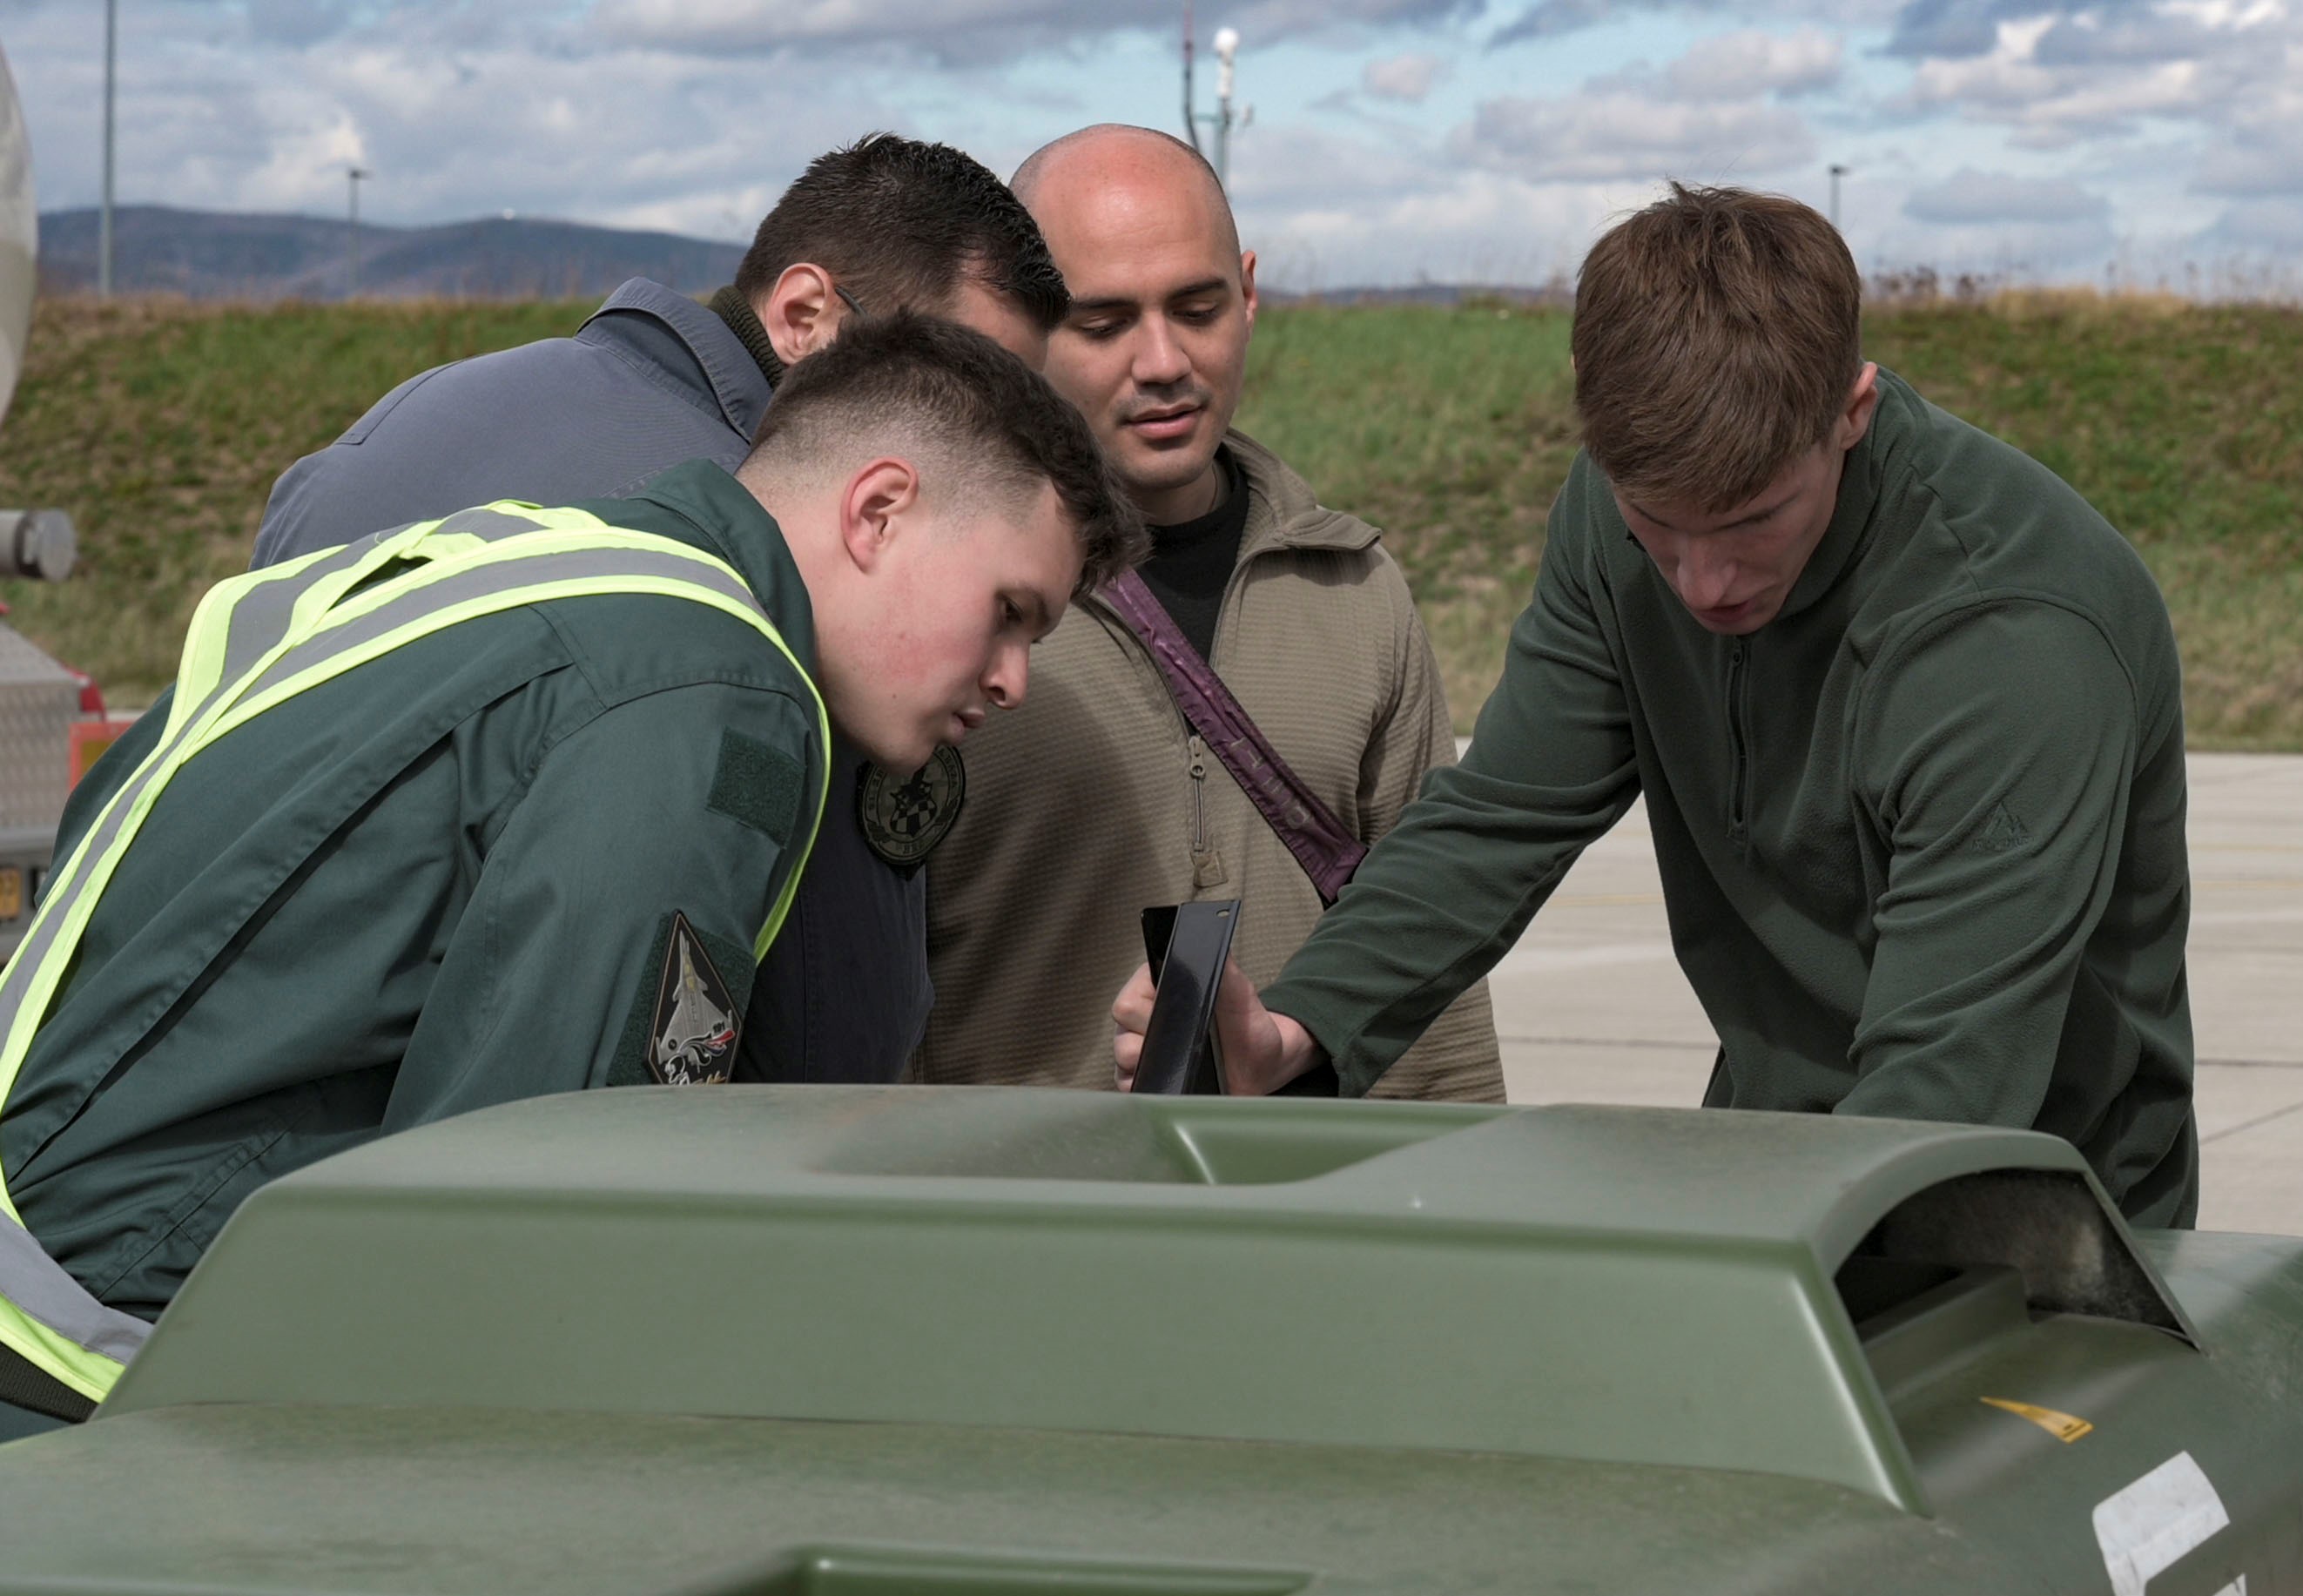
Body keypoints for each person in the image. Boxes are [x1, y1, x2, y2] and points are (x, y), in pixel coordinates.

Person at [0, 313, 1140, 1442]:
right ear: (879, 509)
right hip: (113, 1368)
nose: (1013, 682)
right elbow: (529, 1215)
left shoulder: (524, 566)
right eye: (1008, 614)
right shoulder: (707, 692)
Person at [1112, 184, 2199, 1223]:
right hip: (1777, 1161)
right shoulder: (1615, 509)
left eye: (1753, 520)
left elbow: (1943, 1087)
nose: (1701, 581)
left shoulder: (2010, 641)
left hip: (2044, 1218)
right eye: (1658, 523)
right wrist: (1297, 1025)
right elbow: (1501, 816)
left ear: (1851, 412)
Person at [250, 133, 1067, 1085]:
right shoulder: (774, 570)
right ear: (805, 314)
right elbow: (828, 1021)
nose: (986, 443)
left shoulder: (400, 427)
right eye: (960, 383)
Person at [916, 124, 1499, 1101]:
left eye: (1198, 307)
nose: (1163, 361)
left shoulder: (1352, 589)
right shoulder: (930, 603)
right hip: (1016, 1220)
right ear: (1014, 327)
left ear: (1250, 291)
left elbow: (1428, 964)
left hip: (1306, 1224)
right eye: (1102, 324)